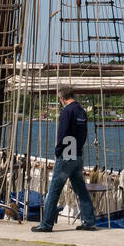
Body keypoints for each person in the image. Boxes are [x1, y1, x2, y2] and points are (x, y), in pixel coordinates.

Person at [32, 86, 97, 232]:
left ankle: (46, 224)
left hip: (67, 153)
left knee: (54, 189)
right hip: (77, 154)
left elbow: (62, 134)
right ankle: (89, 221)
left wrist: (58, 151)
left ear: (62, 98)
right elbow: (84, 134)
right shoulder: (81, 111)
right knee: (81, 189)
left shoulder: (67, 111)